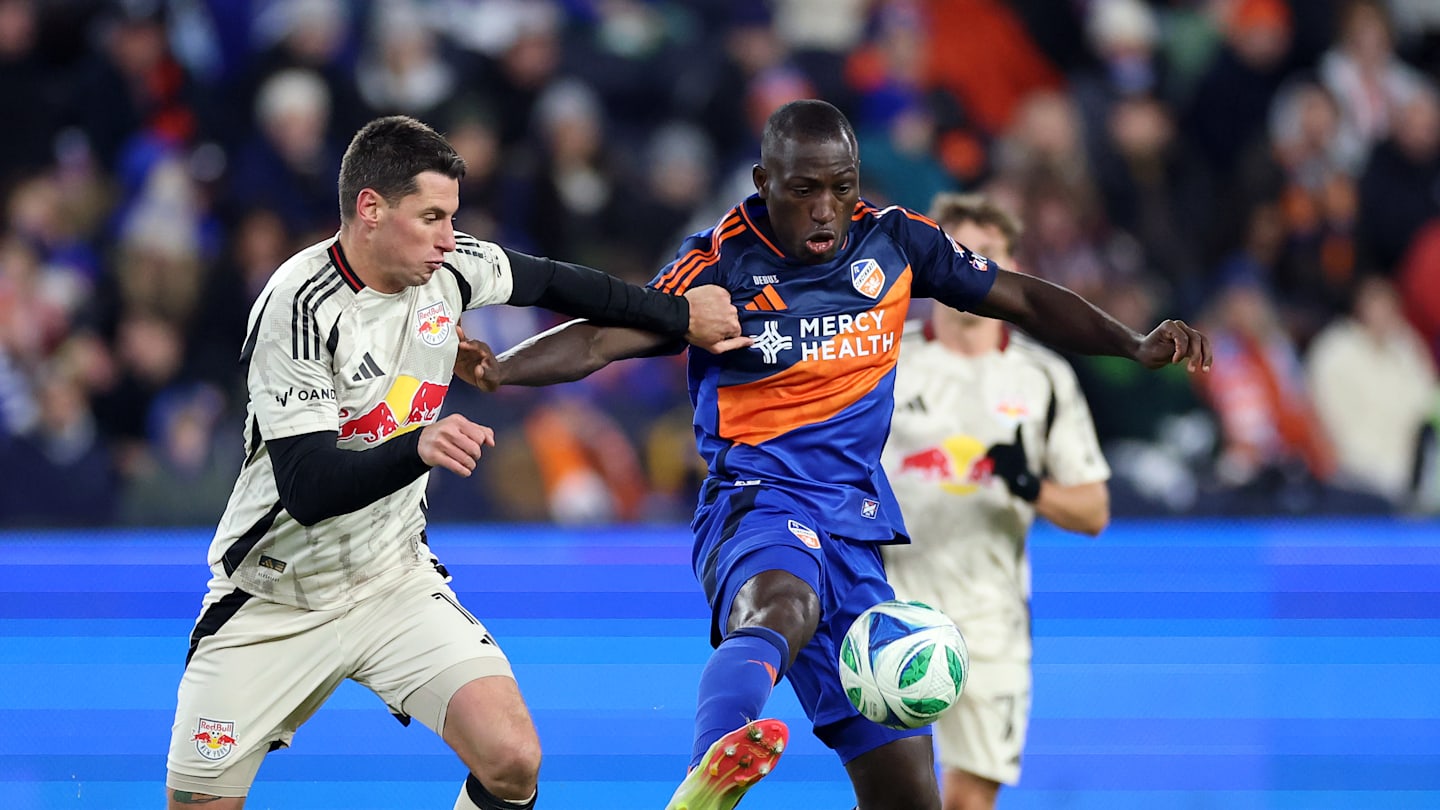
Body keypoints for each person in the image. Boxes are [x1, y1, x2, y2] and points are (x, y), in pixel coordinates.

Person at [460, 99, 1210, 810]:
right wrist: (502, 368)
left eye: (842, 188)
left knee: (907, 793)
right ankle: (713, 767)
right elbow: (601, 336)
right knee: (785, 604)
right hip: (757, 500)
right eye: (804, 190)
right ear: (764, 182)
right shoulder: (718, 263)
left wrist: (1132, 342)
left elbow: (1019, 297)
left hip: (854, 530)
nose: (826, 208)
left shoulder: (896, 242)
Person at [163, 115, 746, 810]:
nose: (449, 238)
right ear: (370, 209)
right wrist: (416, 447)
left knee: (512, 761)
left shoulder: (449, 267)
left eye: (453, 217)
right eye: (432, 218)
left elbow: (563, 285)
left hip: (391, 580)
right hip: (274, 595)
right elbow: (307, 487)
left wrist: (678, 316)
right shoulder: (299, 306)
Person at [879, 193, 1111, 810]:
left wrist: (1030, 486)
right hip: (891, 609)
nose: (972, 266)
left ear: (1012, 267)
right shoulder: (885, 358)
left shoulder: (1043, 377)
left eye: (988, 254)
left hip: (992, 619)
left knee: (968, 802)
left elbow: (1093, 511)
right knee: (896, 796)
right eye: (959, 252)